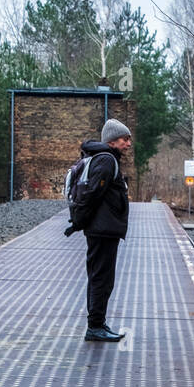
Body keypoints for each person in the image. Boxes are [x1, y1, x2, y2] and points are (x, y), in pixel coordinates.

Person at [75, 119, 132, 341]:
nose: (128, 144)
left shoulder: (108, 159)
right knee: (101, 278)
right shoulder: (106, 161)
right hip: (102, 230)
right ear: (112, 141)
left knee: (102, 278)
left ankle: (99, 323)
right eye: (124, 139)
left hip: (105, 229)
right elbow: (92, 194)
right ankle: (95, 327)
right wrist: (82, 221)